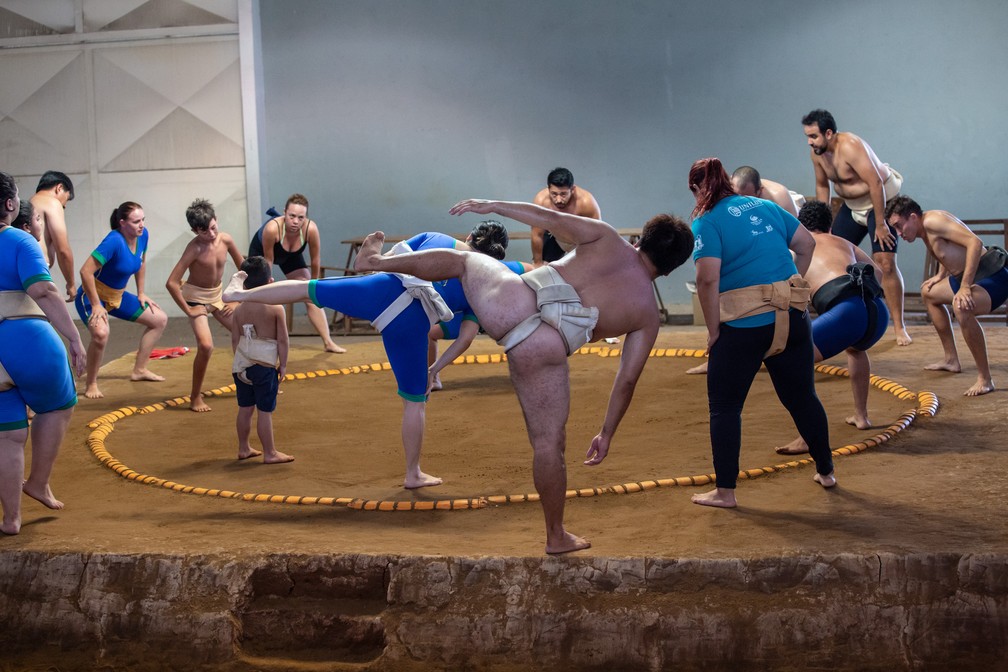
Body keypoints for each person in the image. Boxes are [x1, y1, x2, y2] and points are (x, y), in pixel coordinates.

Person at [349, 201, 693, 554]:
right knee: (549, 445)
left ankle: (376, 263)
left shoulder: (605, 237)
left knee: (465, 260)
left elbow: (549, 218)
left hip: (511, 303)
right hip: (543, 348)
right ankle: (556, 536)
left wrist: (492, 205)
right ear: (669, 270)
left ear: (641, 238)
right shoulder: (647, 315)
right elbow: (627, 380)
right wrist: (606, 433)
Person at [226, 221, 512, 490]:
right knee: (415, 402)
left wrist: (370, 273)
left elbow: (390, 260)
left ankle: (238, 295)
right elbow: (465, 338)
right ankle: (413, 473)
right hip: (411, 323)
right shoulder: (482, 285)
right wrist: (434, 369)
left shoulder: (436, 239)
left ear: (470, 238)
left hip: (382, 290)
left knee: (306, 290)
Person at [688, 157, 836, 509]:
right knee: (803, 398)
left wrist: (712, 331)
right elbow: (806, 245)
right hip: (794, 318)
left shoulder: (705, 221)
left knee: (725, 407)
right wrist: (790, 285)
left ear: (697, 189)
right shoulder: (766, 206)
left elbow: (707, 279)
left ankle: (725, 491)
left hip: (744, 326)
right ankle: (827, 471)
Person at [0, 171, 86, 535]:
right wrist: (74, 338)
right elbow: (45, 293)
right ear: (9, 204)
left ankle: (11, 519)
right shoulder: (19, 240)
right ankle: (38, 481)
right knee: (59, 404)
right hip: (26, 339)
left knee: (6, 435)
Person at [774, 200, 889, 455]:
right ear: (830, 225)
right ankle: (861, 416)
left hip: (846, 312)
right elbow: (878, 273)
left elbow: (787, 292)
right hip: (878, 312)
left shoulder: (799, 248)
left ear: (801, 225)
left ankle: (807, 437)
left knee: (793, 361)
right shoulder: (844, 242)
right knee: (856, 350)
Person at [802, 109, 911, 346]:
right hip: (852, 206)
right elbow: (822, 187)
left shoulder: (850, 146)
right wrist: (823, 226)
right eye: (807, 137)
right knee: (832, 254)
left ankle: (899, 326)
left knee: (885, 262)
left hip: (881, 201)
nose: (810, 142)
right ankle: (841, 317)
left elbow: (875, 182)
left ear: (828, 133)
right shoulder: (817, 153)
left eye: (813, 136)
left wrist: (881, 223)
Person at [886, 196, 1007, 396]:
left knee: (962, 306)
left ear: (913, 217)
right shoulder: (924, 229)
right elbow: (946, 251)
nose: (899, 233)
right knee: (929, 292)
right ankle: (951, 359)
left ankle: (985, 379)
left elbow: (975, 243)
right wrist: (941, 276)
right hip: (967, 278)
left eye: (899, 226)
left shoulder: (934, 221)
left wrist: (966, 286)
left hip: (992, 276)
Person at [75, 201, 168, 399]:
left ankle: (140, 370)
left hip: (117, 297)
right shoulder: (114, 241)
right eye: (136, 221)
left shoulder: (143, 235)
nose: (141, 225)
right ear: (122, 223)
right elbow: (85, 271)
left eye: (143, 220)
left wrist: (141, 293)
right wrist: (95, 305)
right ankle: (91, 383)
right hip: (91, 296)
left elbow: (141, 263)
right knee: (101, 334)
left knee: (159, 319)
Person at [165, 198, 245, 412]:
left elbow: (244, 270)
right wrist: (188, 309)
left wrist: (237, 298)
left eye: (212, 227)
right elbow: (172, 283)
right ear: (194, 231)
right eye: (204, 232)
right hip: (196, 298)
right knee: (206, 346)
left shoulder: (226, 239)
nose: (210, 234)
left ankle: (250, 383)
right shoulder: (194, 249)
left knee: (246, 332)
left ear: (216, 220)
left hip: (219, 297)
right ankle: (195, 397)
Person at [248, 194, 345, 353]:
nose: (295, 221)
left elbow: (315, 260)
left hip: (290, 256)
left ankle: (328, 342)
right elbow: (269, 260)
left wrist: (315, 285)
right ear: (284, 212)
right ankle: (254, 339)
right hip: (262, 255)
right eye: (291, 216)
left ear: (306, 218)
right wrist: (265, 285)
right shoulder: (272, 229)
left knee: (309, 292)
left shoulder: (310, 229)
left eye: (301, 218)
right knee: (257, 294)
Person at [427, 259, 532, 391]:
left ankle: (532, 371)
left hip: (499, 311)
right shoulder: (459, 270)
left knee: (525, 335)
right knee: (431, 333)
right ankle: (434, 378)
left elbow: (530, 269)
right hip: (469, 309)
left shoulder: (505, 269)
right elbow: (465, 339)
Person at [229, 256, 293, 463]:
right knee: (264, 411)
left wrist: (239, 363)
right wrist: (282, 364)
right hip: (264, 367)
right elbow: (283, 340)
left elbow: (235, 340)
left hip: (241, 366)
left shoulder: (239, 310)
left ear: (244, 285)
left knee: (245, 408)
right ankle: (270, 453)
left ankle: (243, 448)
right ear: (270, 282)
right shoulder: (275, 308)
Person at [530, 167, 601, 266]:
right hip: (554, 236)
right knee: (542, 269)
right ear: (548, 189)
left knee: (590, 269)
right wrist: (537, 264)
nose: (558, 200)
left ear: (572, 190)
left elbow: (597, 235)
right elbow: (537, 234)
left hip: (580, 241)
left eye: (563, 194)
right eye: (554, 194)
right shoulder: (541, 201)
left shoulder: (586, 202)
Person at [30, 171, 76, 302]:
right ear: (59, 188)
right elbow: (63, 250)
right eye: (65, 200)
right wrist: (71, 283)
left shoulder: (29, 204)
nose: (64, 205)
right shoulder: (51, 202)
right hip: (37, 273)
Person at [730, 166, 802, 217]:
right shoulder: (725, 187)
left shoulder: (779, 195)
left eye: (746, 197)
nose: (740, 201)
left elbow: (794, 227)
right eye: (736, 195)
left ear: (760, 191)